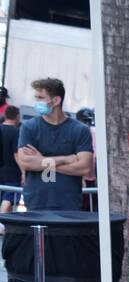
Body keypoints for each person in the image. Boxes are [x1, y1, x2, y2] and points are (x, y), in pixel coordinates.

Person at [15, 78, 93, 211]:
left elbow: (85, 168)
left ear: (56, 101)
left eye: (40, 97)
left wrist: (41, 161)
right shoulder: (29, 127)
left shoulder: (80, 130)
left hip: (69, 202)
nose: (36, 102)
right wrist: (65, 159)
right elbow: (26, 163)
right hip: (36, 202)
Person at [0, 105, 21, 214]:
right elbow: (16, 154)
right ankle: (2, 222)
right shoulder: (16, 132)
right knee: (8, 198)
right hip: (12, 172)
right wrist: (23, 172)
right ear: (17, 116)